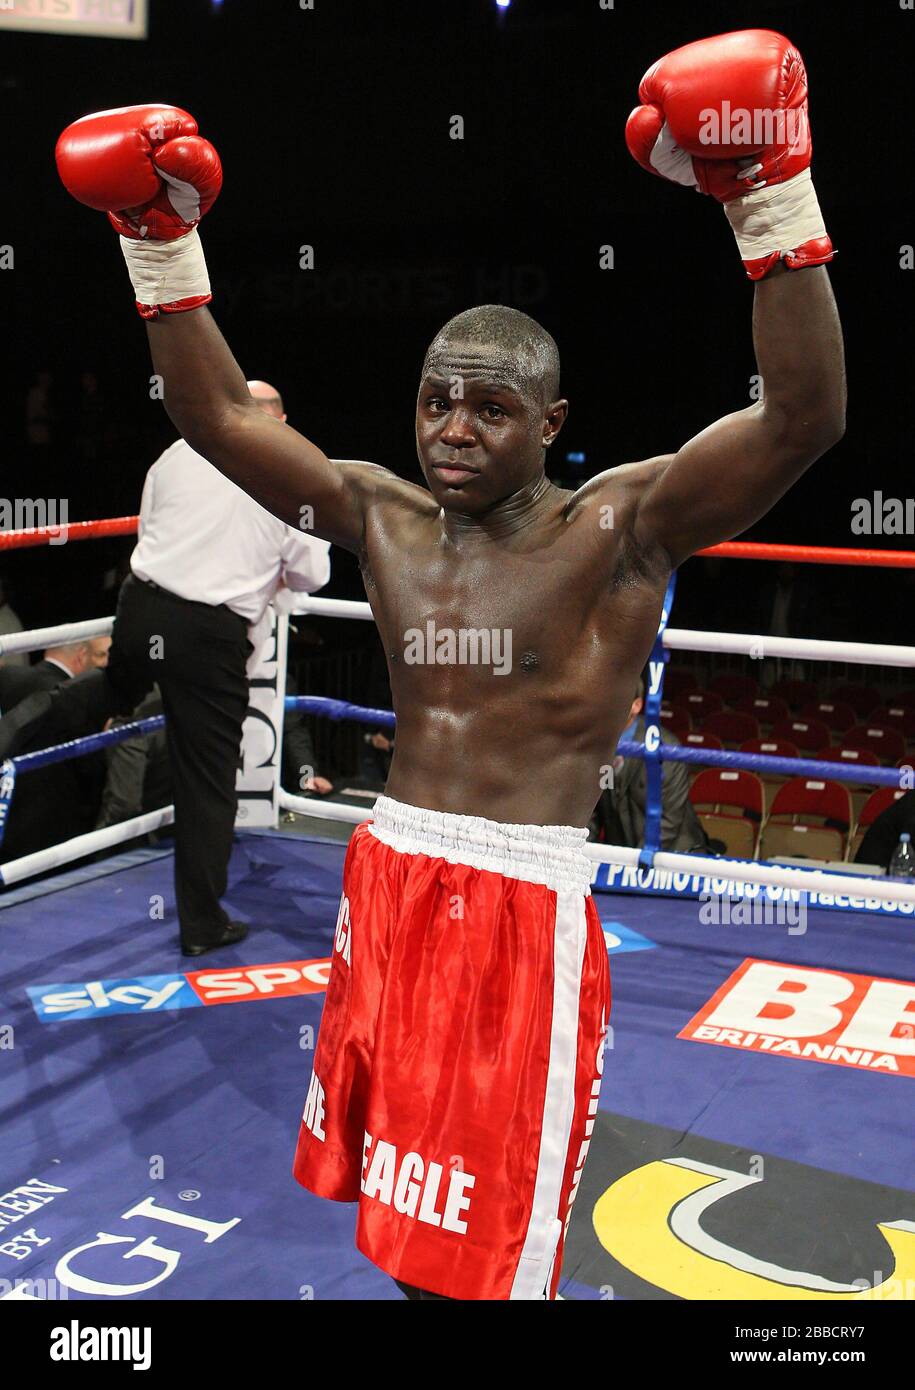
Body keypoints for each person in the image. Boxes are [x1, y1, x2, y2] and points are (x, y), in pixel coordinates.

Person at [52, 28, 845, 1300]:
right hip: (388, 879)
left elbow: (801, 417)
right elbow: (210, 416)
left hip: (521, 909)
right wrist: (156, 235)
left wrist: (769, 194)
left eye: (488, 409)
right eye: (435, 402)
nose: (454, 431)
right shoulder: (379, 516)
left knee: (492, 1256)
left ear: (552, 424)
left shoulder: (622, 530)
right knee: (394, 1216)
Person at [0, 383, 331, 955]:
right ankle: (201, 924)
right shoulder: (292, 475)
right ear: (279, 421)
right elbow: (312, 577)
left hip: (143, 605)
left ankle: (15, 744)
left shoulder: (181, 450)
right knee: (207, 779)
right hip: (210, 636)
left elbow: (148, 529)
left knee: (114, 688)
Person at [0, 638, 111, 859]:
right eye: (100, 655)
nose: (106, 663)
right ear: (81, 655)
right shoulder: (79, 698)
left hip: (10, 821)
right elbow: (91, 770)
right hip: (55, 826)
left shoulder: (9, 675)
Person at [591, 677, 710, 854]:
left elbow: (668, 820)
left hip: (672, 854)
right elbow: (590, 812)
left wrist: (632, 866)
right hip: (621, 854)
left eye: (615, 699)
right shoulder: (596, 745)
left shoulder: (665, 748)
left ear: (636, 706)